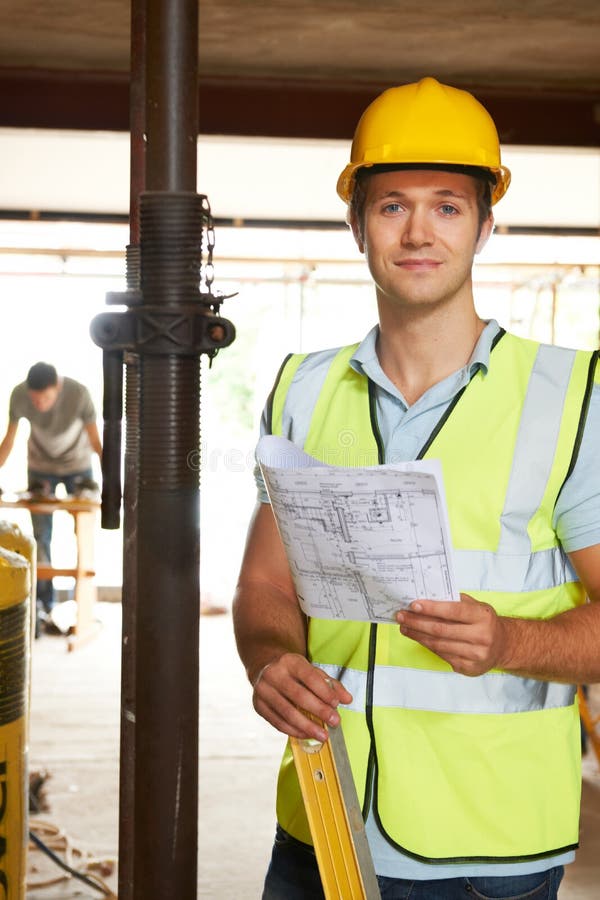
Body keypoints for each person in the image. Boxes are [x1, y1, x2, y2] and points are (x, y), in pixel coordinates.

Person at [232, 76, 600, 900]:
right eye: (393, 204)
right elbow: (264, 583)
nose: (418, 231)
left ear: (485, 225)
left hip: (485, 850)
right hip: (320, 827)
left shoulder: (571, 398)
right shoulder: (302, 387)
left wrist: (510, 643)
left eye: (448, 205)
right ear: (357, 223)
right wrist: (271, 657)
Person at [0, 362, 102, 631]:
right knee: (40, 536)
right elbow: (9, 440)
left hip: (77, 464)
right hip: (40, 466)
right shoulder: (19, 395)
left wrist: (112, 480)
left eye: (45, 398)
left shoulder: (78, 394)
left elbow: (95, 440)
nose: (39, 404)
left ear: (57, 386)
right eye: (35, 399)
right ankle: (44, 606)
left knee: (82, 532)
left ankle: (83, 610)